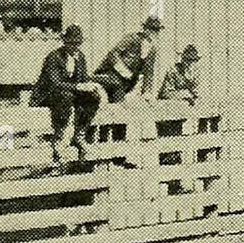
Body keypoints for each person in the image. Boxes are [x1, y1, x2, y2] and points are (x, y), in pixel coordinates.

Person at [31, 25, 94, 161]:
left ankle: (80, 134)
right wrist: (78, 86)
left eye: (77, 43)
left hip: (68, 93)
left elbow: (83, 79)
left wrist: (90, 86)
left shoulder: (80, 57)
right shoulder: (54, 57)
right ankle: (58, 137)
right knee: (65, 96)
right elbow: (54, 83)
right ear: (65, 41)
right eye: (71, 43)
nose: (74, 46)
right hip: (47, 94)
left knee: (93, 96)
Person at [91, 15, 163, 104]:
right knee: (115, 98)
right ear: (145, 29)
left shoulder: (152, 49)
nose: (152, 33)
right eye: (151, 29)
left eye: (156, 30)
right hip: (109, 75)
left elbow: (149, 71)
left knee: (123, 105)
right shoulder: (131, 38)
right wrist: (125, 72)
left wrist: (147, 93)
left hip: (126, 83)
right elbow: (112, 55)